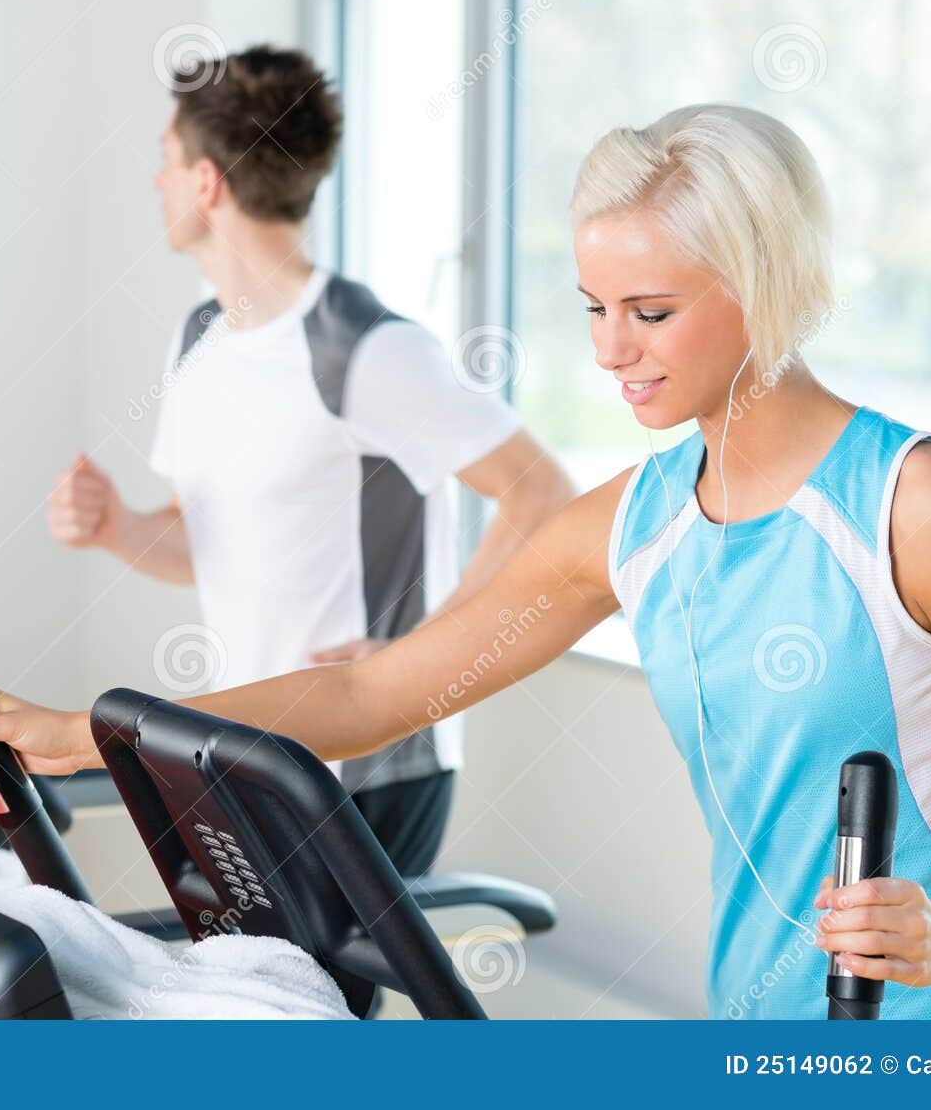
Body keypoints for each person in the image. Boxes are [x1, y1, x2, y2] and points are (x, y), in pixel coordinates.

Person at [0, 104, 931, 1019]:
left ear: (761, 287)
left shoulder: (921, 505)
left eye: (648, 311)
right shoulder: (632, 524)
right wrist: (84, 728)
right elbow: (369, 693)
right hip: (751, 1017)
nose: (608, 351)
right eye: (593, 307)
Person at [45, 45, 573, 903]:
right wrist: (115, 527)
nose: (157, 184)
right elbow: (200, 541)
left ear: (208, 182)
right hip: (241, 746)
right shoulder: (200, 335)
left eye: (166, 161)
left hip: (365, 767)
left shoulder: (362, 345)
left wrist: (419, 655)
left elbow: (539, 489)